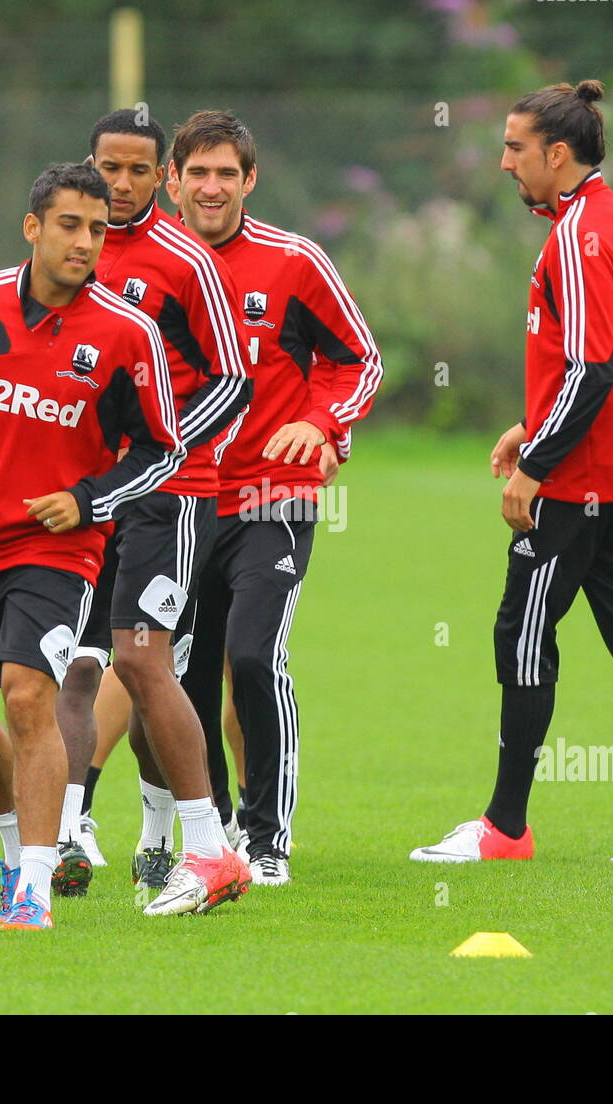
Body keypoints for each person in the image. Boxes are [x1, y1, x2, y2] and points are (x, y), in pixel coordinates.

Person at [410, 81, 613, 865]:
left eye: (515, 148)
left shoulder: (581, 235)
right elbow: (588, 368)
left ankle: (504, 830)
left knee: (525, 637)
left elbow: (592, 368)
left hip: (578, 485)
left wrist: (536, 464)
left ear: (558, 154)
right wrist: (531, 423)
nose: (504, 162)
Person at [0, 162, 184, 929]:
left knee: (29, 694)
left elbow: (161, 450)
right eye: (70, 225)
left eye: (97, 229)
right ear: (33, 228)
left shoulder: (128, 332)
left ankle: (34, 885)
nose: (86, 241)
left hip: (59, 549)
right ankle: (18, 838)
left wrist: (85, 500)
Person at [167, 110, 383, 885]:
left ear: (250, 180)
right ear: (174, 180)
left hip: (272, 498)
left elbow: (359, 359)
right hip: (184, 500)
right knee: (185, 670)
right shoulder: (151, 267)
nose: (213, 186)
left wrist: (323, 425)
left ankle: (267, 839)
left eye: (228, 173)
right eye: (199, 172)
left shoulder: (295, 262)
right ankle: (213, 825)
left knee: (254, 657)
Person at [53, 109, 254, 916]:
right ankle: (61, 836)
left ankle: (203, 844)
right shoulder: (72, 253)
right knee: (70, 661)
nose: (123, 183)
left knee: (142, 664)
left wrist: (159, 450)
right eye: (110, 168)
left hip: (169, 497)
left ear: (159, 176)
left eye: (139, 170)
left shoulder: (185, 260)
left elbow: (234, 380)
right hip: (82, 502)